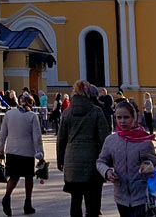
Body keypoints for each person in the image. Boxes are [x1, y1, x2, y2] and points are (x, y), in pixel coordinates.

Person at [97, 99, 156, 217]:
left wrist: (151, 172)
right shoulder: (111, 141)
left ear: (134, 118)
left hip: (141, 197)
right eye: (119, 117)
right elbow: (101, 162)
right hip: (121, 197)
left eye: (126, 117)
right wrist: (107, 172)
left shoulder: (144, 141)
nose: (122, 121)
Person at [56, 80, 110, 217]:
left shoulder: (67, 113)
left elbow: (61, 139)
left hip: (71, 161)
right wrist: (109, 160)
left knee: (75, 200)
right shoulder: (96, 111)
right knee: (93, 202)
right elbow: (105, 137)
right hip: (93, 161)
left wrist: (60, 159)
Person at [0, 93, 45, 216]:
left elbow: (3, 134)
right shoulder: (32, 117)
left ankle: (7, 197)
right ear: (31, 104)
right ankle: (27, 204)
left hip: (12, 151)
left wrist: (1, 151)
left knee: (13, 177)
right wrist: (40, 154)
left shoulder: (9, 114)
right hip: (27, 152)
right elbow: (37, 138)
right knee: (28, 178)